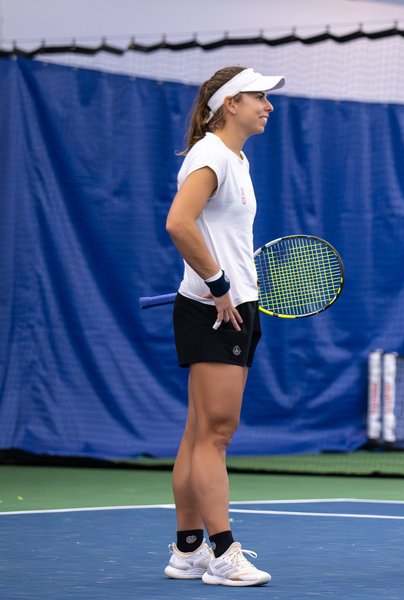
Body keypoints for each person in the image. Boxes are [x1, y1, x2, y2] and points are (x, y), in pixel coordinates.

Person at [162, 66, 284, 587]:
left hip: (230, 306)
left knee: (198, 434)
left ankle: (188, 550)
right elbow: (178, 222)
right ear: (230, 103)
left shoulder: (234, 158)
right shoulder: (212, 154)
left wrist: (225, 284)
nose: (268, 105)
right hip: (216, 310)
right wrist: (217, 284)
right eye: (258, 96)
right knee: (216, 434)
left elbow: (213, 232)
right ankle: (223, 552)